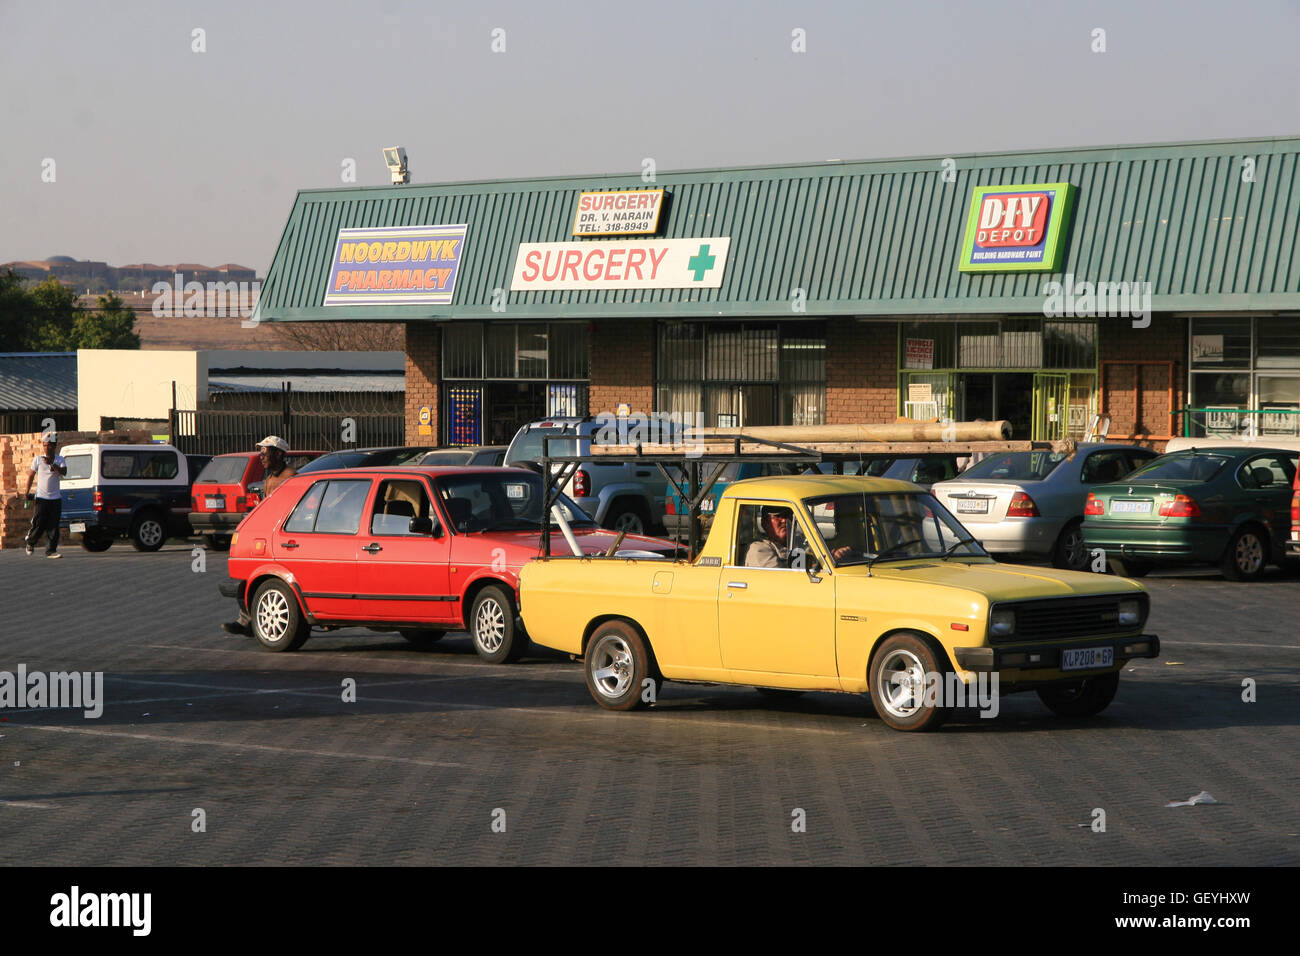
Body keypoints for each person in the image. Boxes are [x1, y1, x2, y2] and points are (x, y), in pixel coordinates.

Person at [222, 435, 296, 636]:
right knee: (247, 578)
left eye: (265, 453)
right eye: (261, 453)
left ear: (279, 454)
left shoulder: (290, 477)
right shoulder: (270, 479)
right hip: (266, 538)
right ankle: (247, 620)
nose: (261, 457)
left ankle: (252, 622)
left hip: (281, 540)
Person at [25, 435, 68, 558]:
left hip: (55, 498)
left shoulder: (60, 460)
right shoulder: (38, 460)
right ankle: (30, 542)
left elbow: (64, 472)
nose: (46, 447)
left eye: (48, 445)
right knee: (39, 524)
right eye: (44, 445)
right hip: (41, 498)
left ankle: (51, 550)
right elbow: (31, 476)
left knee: (53, 526)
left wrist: (52, 464)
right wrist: (27, 491)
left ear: (54, 446)